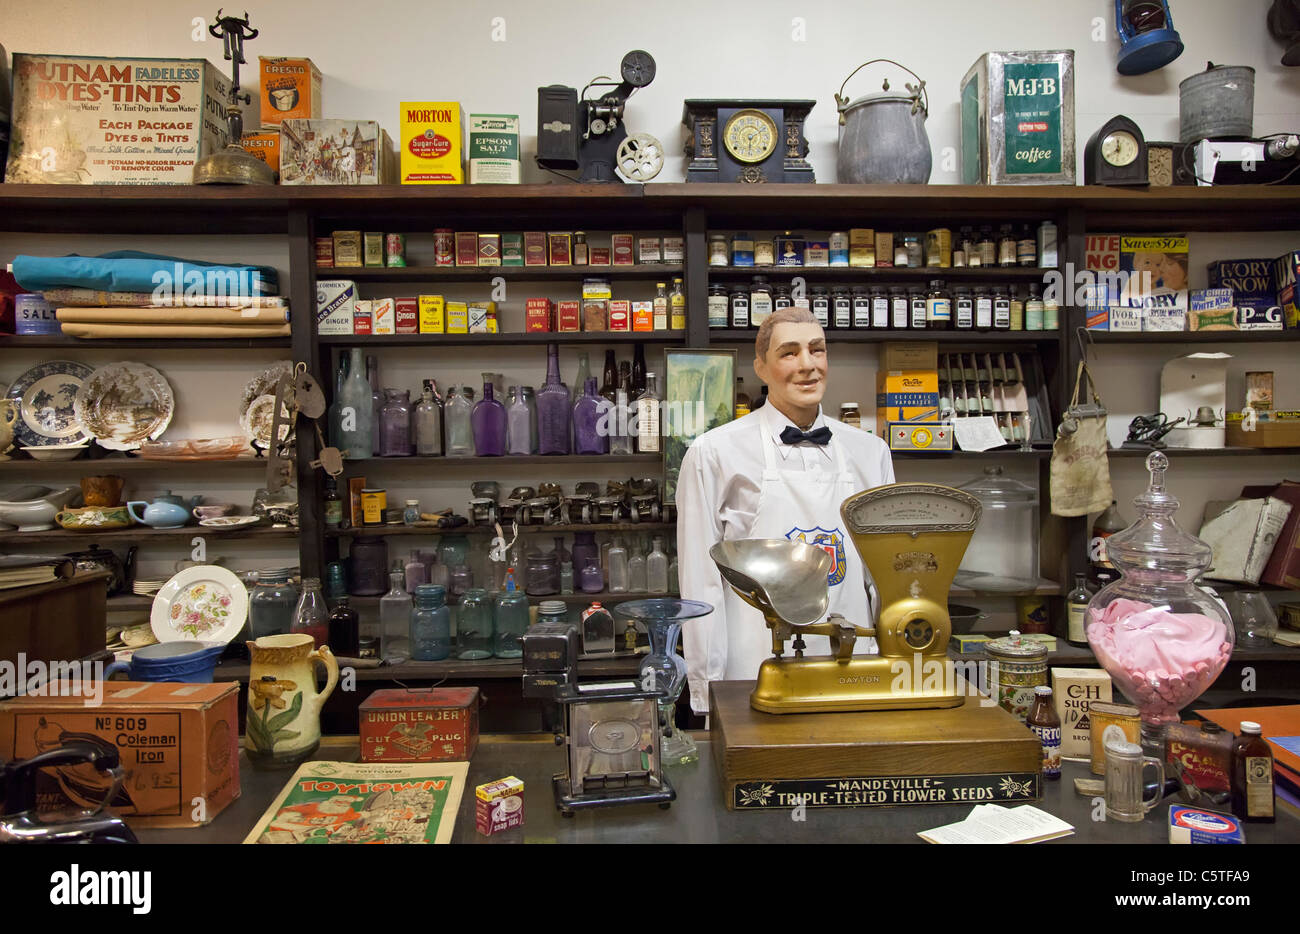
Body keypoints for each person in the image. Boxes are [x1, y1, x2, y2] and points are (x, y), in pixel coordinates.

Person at [676, 306, 895, 715]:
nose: (808, 365)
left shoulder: (871, 452)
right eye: (789, 353)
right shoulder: (714, 453)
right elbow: (700, 584)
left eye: (817, 350)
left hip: (853, 665)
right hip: (754, 667)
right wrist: (707, 693)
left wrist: (891, 660)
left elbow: (882, 578)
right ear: (761, 367)